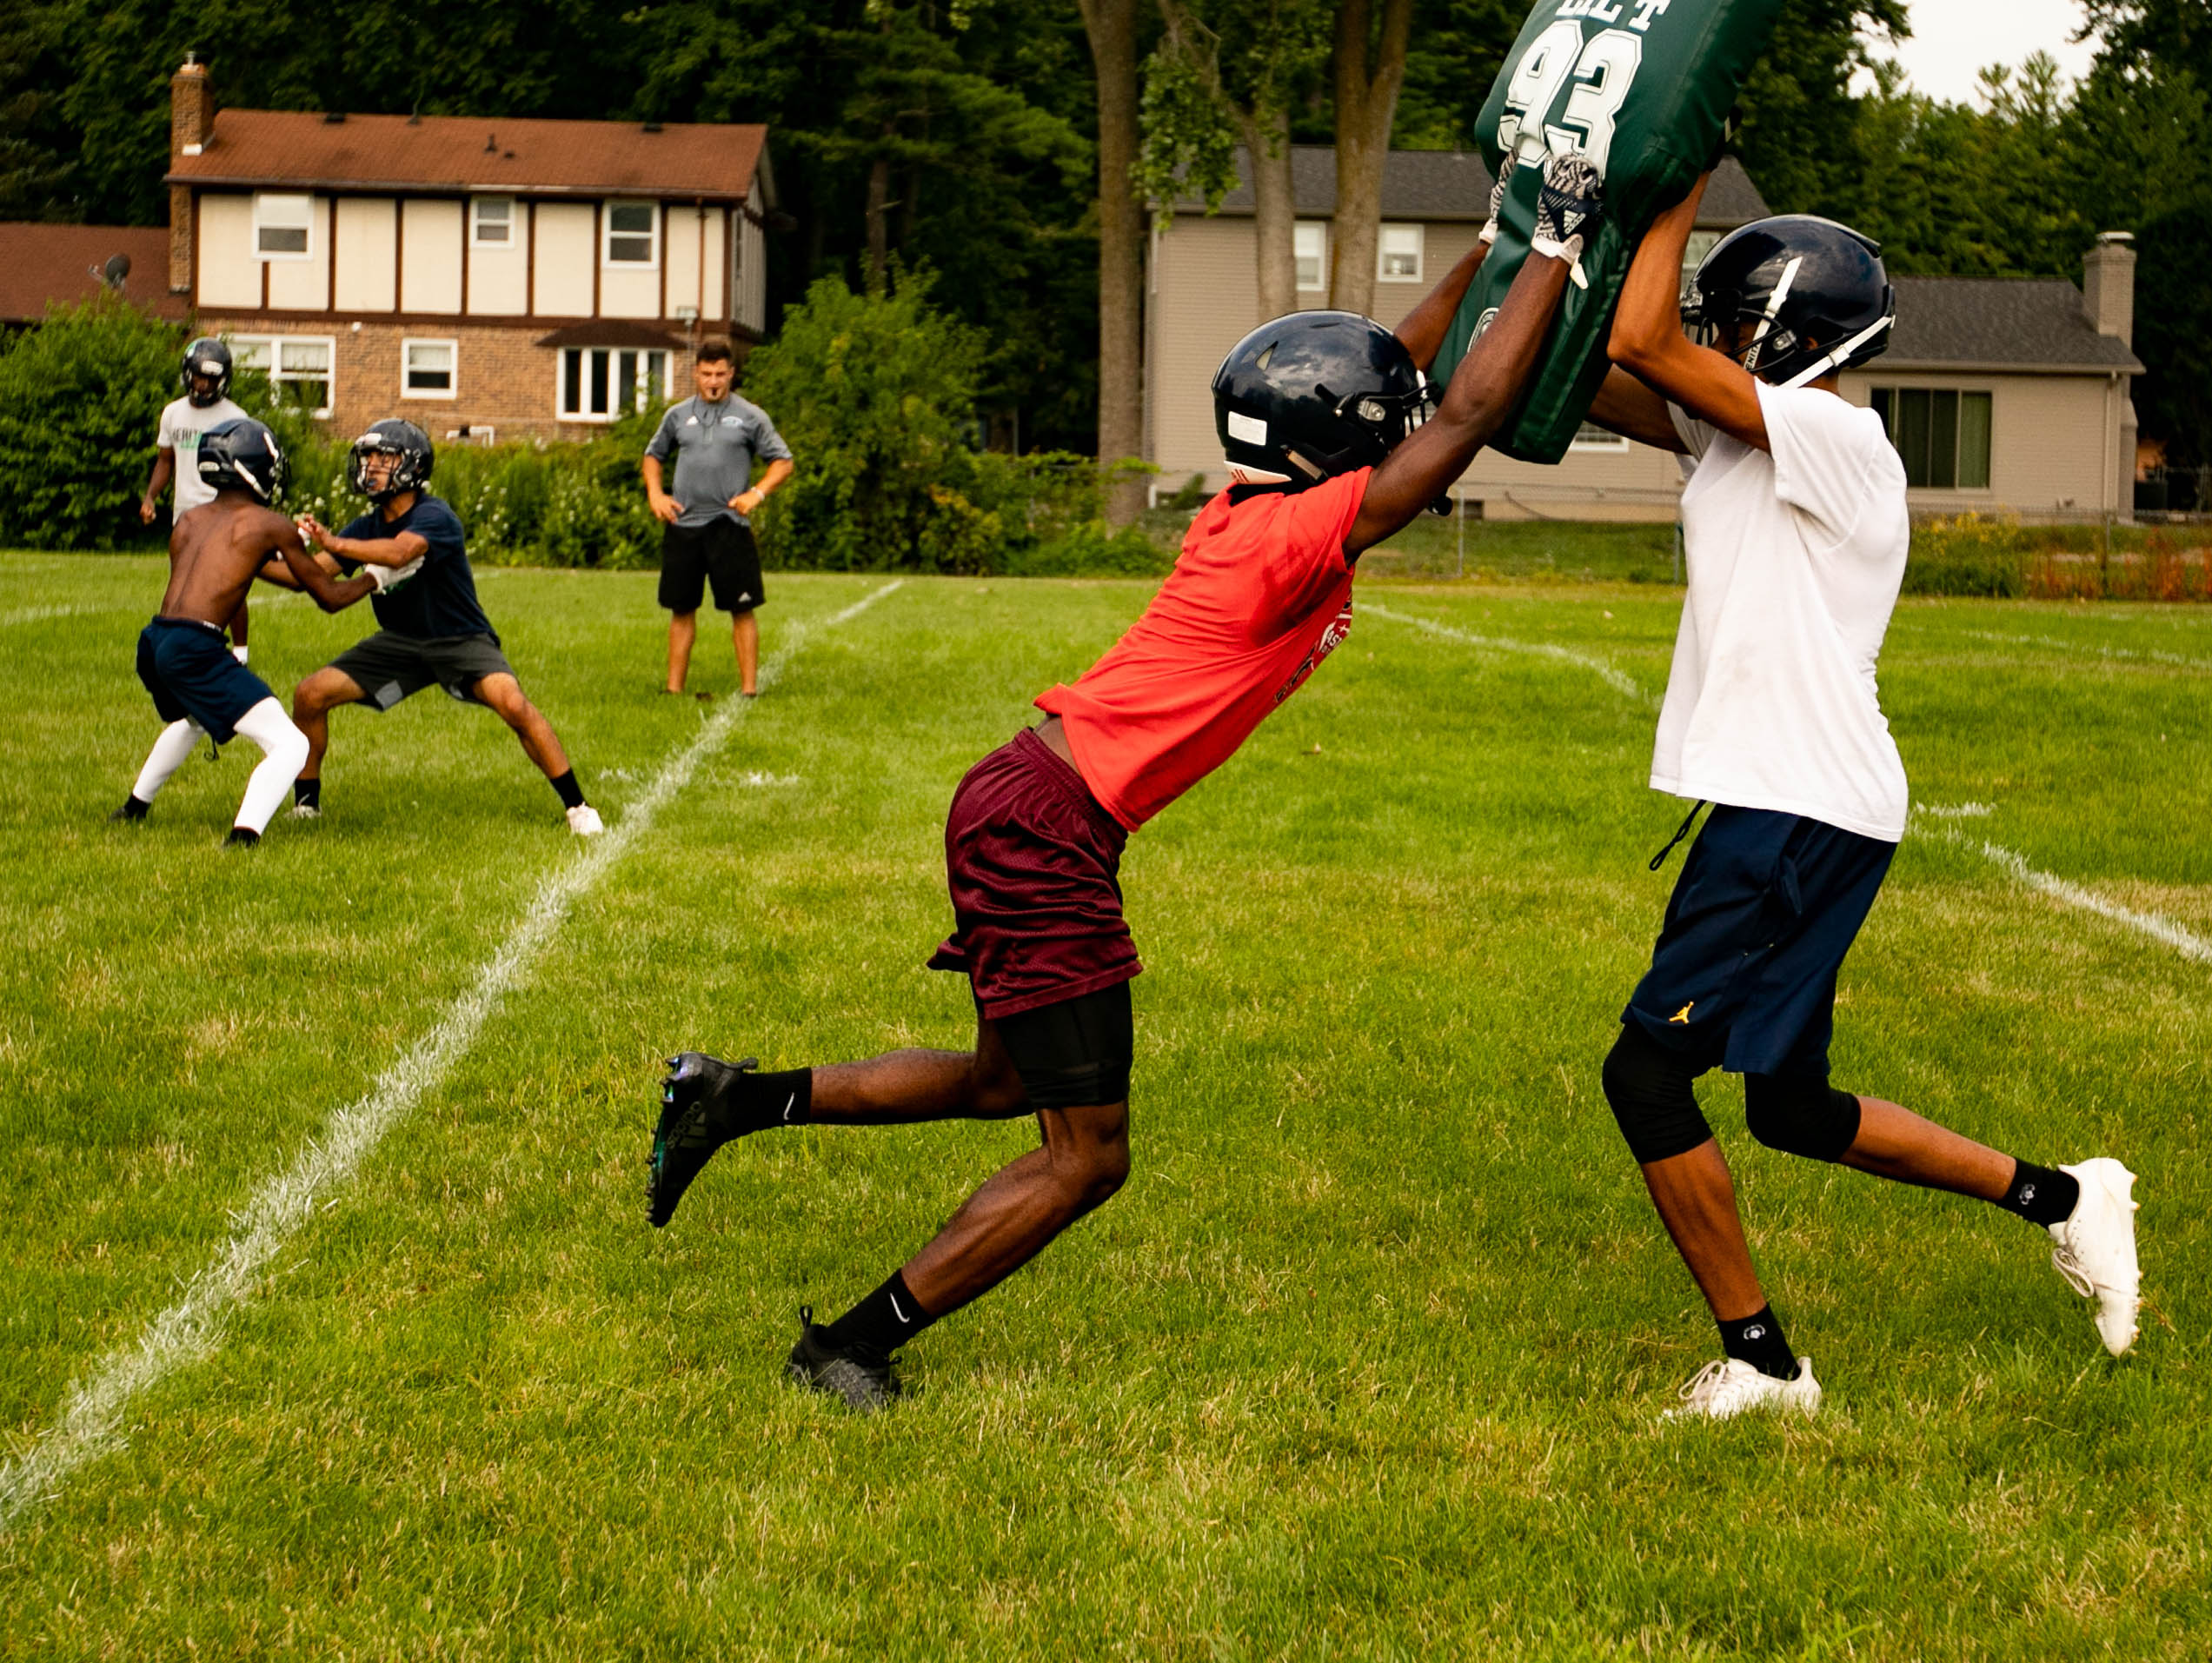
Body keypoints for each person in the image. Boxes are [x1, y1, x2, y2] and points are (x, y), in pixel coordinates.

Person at [642, 169, 1598, 1413]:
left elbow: (1390, 375)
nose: (1391, 426)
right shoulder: (1297, 533)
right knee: (1084, 1156)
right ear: (1338, 448)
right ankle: (847, 1344)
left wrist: (1490, 244)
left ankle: (735, 1097)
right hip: (1049, 823)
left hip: (1026, 796)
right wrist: (1559, 250)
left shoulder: (1256, 502)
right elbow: (1458, 413)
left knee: (1002, 1082)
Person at [1580, 176, 2142, 1420]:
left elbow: (1637, 344)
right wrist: (1558, 235)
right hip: (1803, 800)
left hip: (1798, 804)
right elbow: (1583, 372)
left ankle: (1766, 1364)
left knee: (1645, 1076)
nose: (1713, 342)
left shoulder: (1835, 436)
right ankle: (2067, 1197)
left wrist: (1666, 181)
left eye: (1728, 322)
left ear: (1780, 329)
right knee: (1787, 1108)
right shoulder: (1747, 432)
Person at [276, 416, 604, 837]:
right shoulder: (367, 525)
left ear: (412, 467)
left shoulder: (435, 515)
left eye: (383, 457)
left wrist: (336, 543)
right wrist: (248, 556)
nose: (371, 465)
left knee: (514, 705)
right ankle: (307, 806)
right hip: (400, 642)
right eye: (369, 457)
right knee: (310, 694)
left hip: (460, 638)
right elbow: (307, 577)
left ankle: (577, 806)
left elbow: (400, 552)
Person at [119, 418, 364, 846]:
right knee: (291, 745)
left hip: (155, 641)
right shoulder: (268, 523)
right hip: (193, 647)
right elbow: (328, 598)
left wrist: (289, 550)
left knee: (193, 719)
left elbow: (229, 581)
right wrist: (377, 576)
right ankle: (243, 838)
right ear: (253, 468)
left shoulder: (191, 520)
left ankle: (134, 808)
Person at [643, 341, 793, 697]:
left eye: (720, 374)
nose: (713, 381)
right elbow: (653, 456)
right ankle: (673, 689)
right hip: (683, 525)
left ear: (731, 375)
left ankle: (749, 690)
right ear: (696, 373)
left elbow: (783, 461)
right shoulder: (677, 416)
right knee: (681, 609)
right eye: (707, 374)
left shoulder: (750, 416)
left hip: (730, 527)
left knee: (742, 610)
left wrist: (755, 494)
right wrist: (655, 493)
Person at [143, 336, 257, 663]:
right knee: (183, 580)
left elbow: (246, 468)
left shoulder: (236, 417)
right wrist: (151, 496)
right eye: (199, 376)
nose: (203, 384)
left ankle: (240, 651)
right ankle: (179, 641)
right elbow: (166, 460)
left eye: (211, 378)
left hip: (222, 510)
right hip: (186, 512)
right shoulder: (173, 413)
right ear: (187, 374)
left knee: (229, 580)